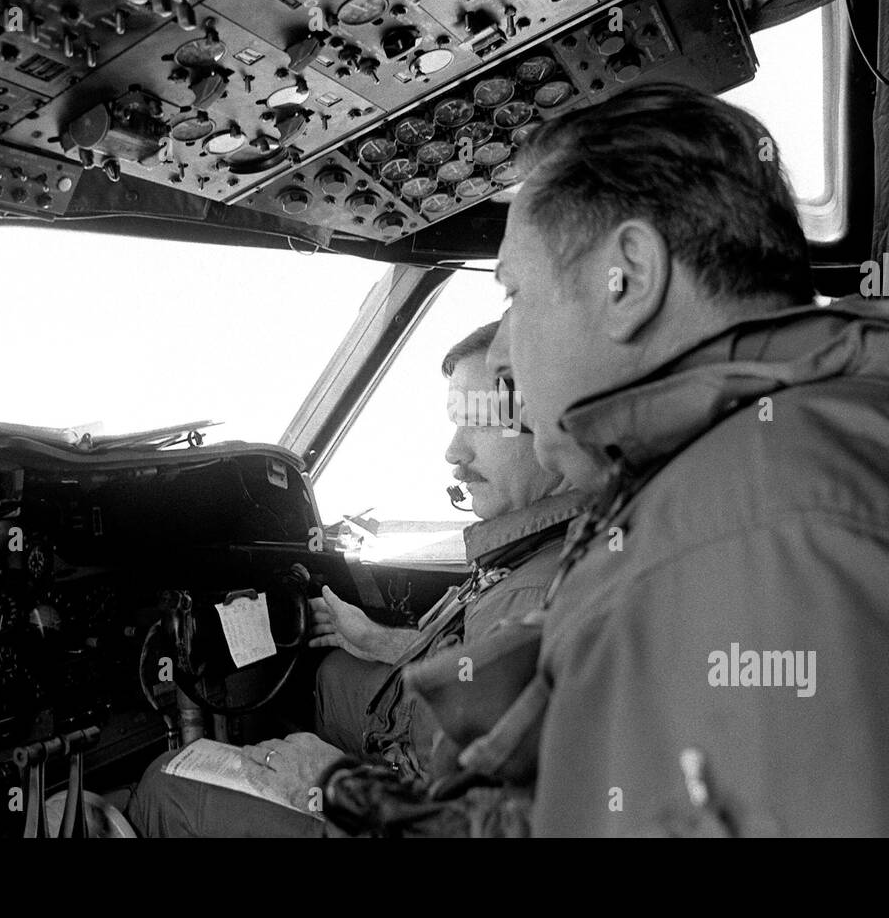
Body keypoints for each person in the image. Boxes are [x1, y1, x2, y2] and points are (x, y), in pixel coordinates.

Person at [481, 82, 889, 836]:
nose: (506, 353)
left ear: (628, 277)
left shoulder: (762, 535)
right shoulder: (807, 456)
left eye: (514, 294)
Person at [128, 320, 583, 836]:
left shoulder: (537, 591)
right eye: (458, 421)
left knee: (166, 783)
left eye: (483, 419)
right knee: (332, 674)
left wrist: (332, 784)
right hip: (430, 750)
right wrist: (384, 642)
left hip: (427, 805)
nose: (454, 452)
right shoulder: (549, 542)